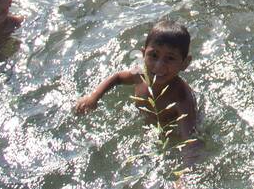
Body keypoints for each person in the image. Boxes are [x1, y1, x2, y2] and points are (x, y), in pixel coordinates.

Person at [74, 19, 199, 150]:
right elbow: (117, 78)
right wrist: (94, 97)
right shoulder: (139, 76)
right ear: (143, 53)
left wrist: (188, 161)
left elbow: (189, 139)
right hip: (145, 120)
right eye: (154, 55)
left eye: (170, 58)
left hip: (169, 131)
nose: (159, 65)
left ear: (185, 63)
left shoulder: (182, 98)